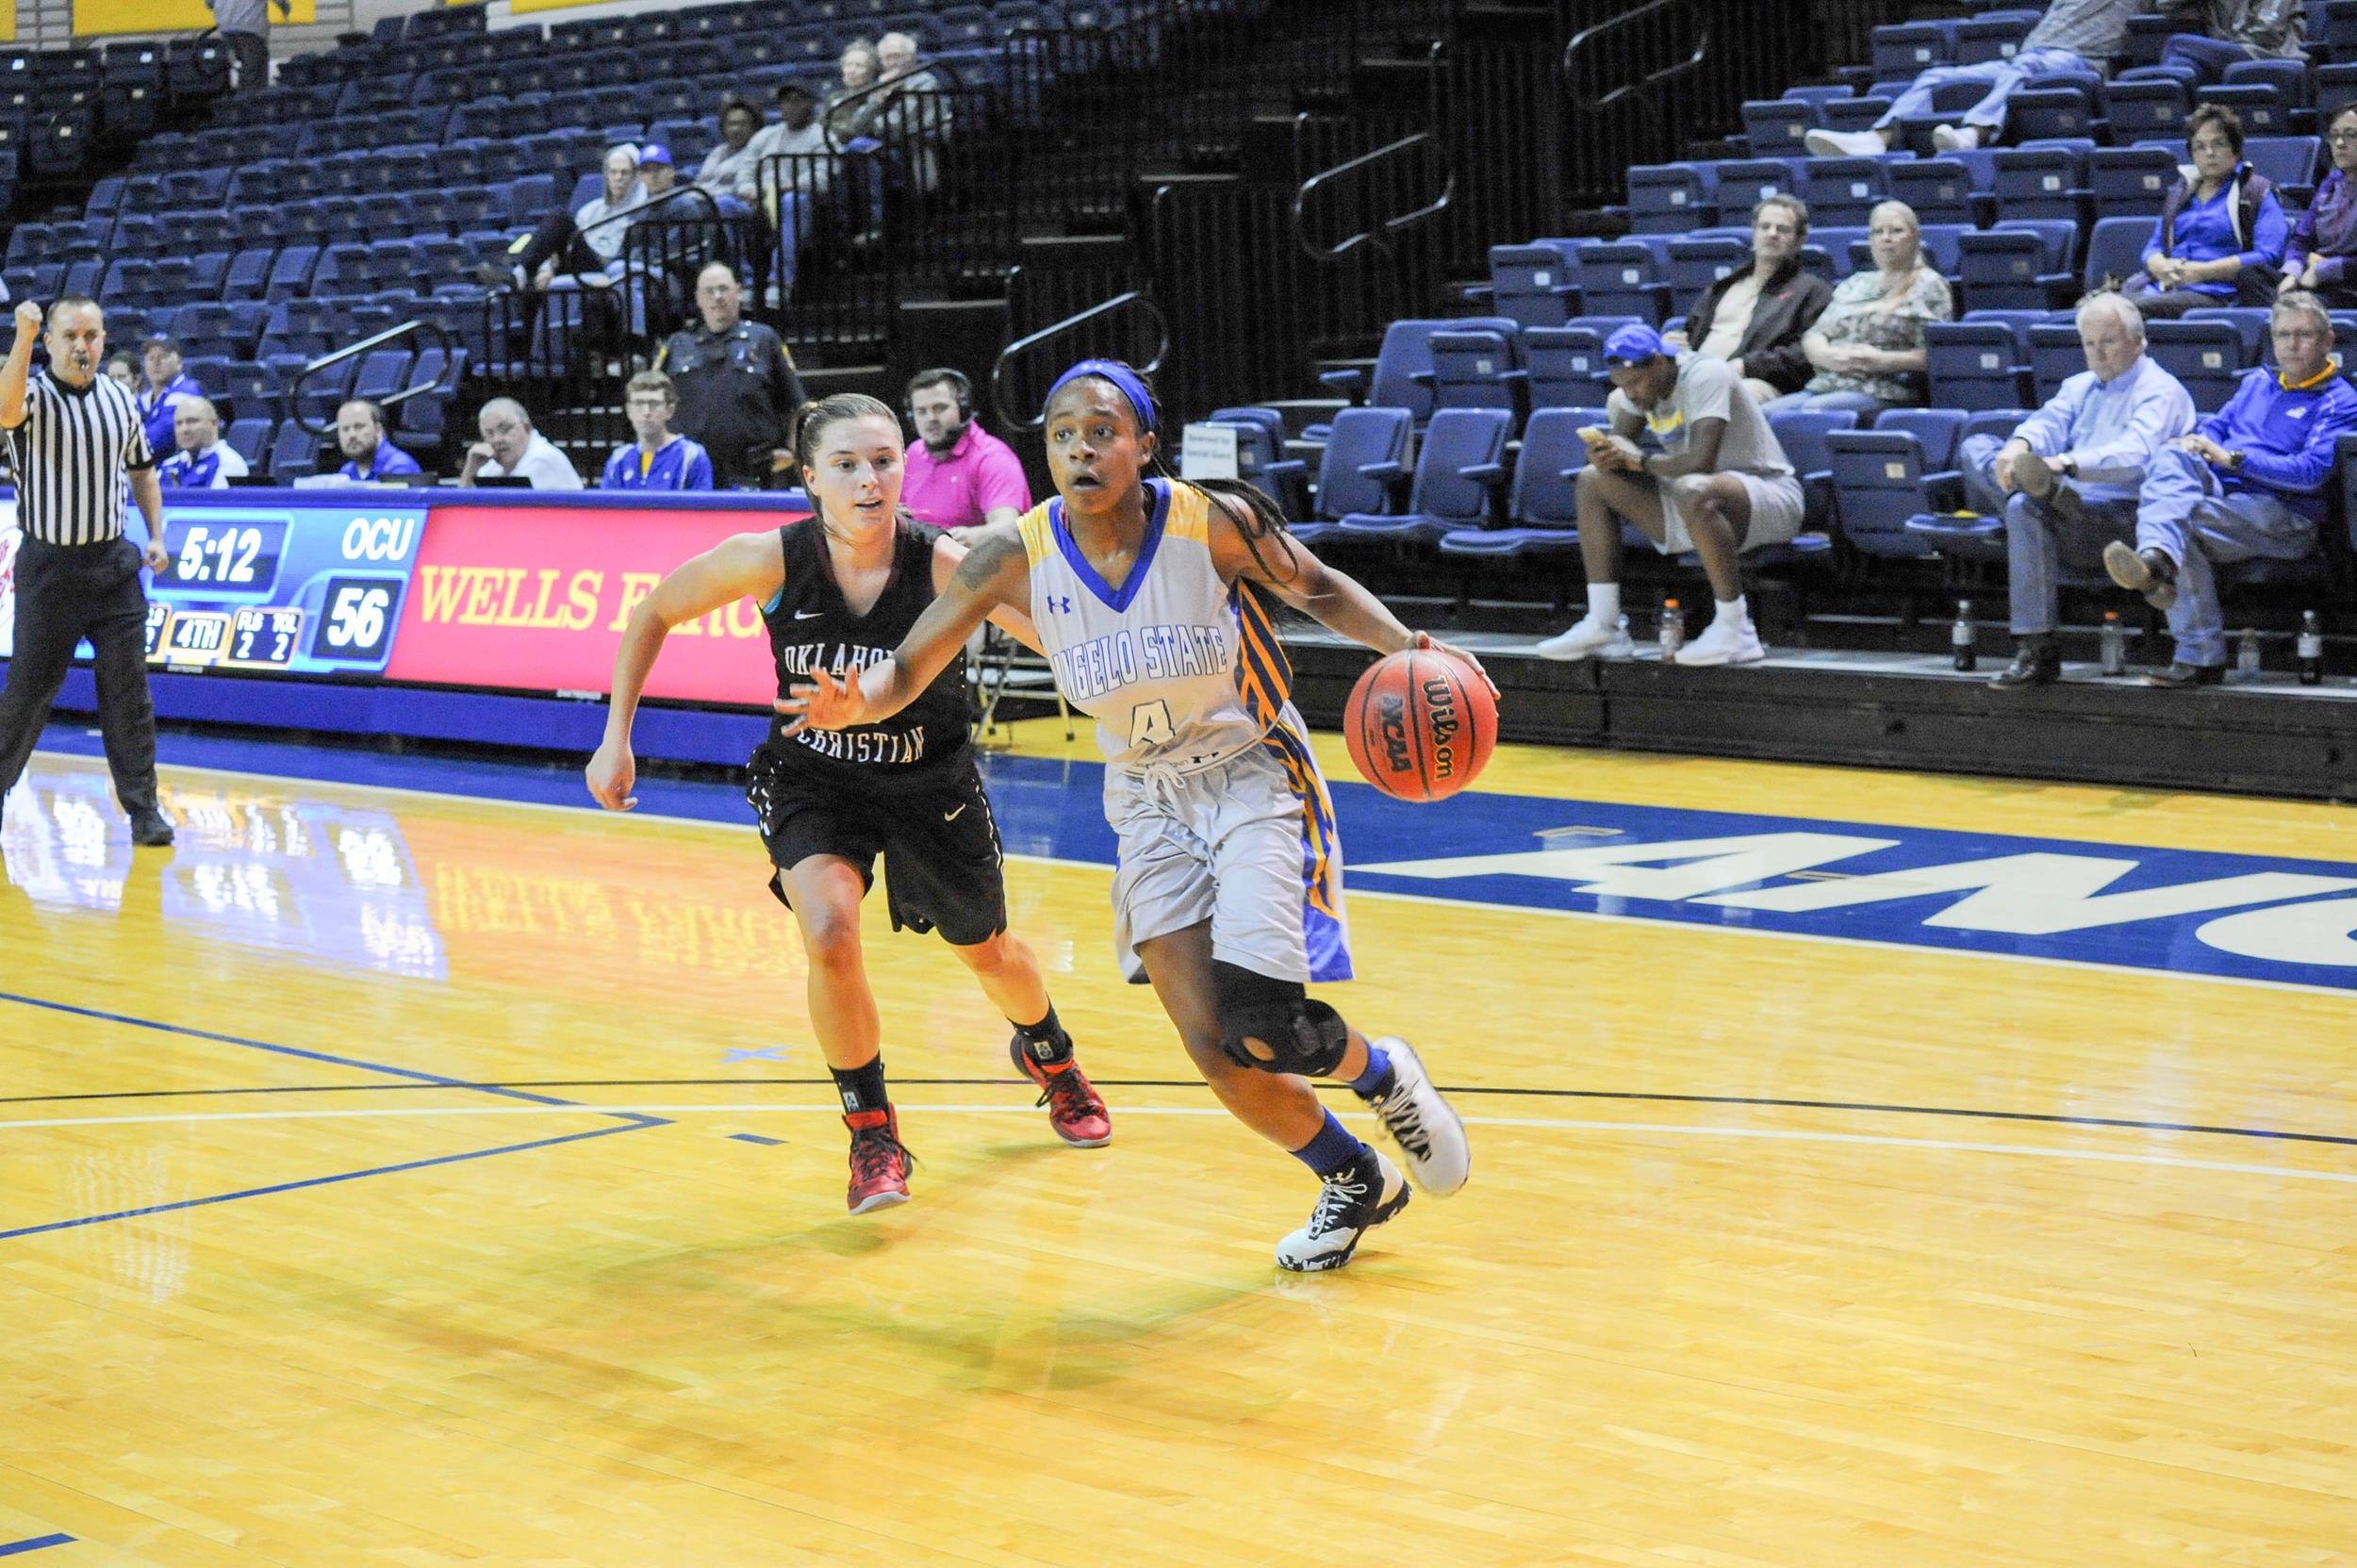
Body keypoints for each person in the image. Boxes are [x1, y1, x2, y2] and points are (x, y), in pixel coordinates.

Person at [777, 361, 1477, 1272]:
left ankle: (1385, 1075)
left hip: (1250, 776)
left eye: (1101, 432)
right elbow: (908, 668)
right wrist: (857, 699)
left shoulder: (1211, 522)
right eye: (1063, 435)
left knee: (1263, 1025)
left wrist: (1416, 651)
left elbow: (1320, 588)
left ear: (1145, 445)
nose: (1080, 449)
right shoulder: (1011, 553)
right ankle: (1353, 1178)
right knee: (1216, 1051)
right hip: (1145, 800)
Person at [585, 393, 1112, 1213]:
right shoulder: (769, 558)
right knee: (828, 929)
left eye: (885, 460)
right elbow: (655, 608)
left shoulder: (941, 561)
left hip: (927, 780)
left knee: (989, 951)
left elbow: (1068, 643)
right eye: (848, 465)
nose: (871, 479)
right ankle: (872, 1131)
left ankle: (1050, 1053)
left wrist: (1130, 688)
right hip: (814, 777)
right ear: (811, 479)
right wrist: (615, 733)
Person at [2103, 290, 2357, 685]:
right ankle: (2157, 560)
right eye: (2283, 335)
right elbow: (2215, 428)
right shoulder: (2258, 382)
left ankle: (2195, 647)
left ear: (2327, 341)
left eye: (2304, 334)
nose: (2292, 344)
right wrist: (2194, 440)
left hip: (2286, 516)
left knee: (2175, 521)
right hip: (2229, 501)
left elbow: (2311, 473)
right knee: (2171, 458)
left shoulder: (2340, 400)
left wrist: (2234, 459)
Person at [0, 298, 175, 847]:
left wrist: (156, 534)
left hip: (113, 566)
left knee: (129, 695)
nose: (83, 345)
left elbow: (143, 471)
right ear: (50, 342)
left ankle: (144, 809)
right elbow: (4, 413)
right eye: (70, 335)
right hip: (50, 570)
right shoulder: (31, 394)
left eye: (93, 335)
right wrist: (21, 338)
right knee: (29, 694)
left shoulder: (121, 399)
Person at [1534, 324, 1805, 668]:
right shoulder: (1634, 395)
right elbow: (1622, 453)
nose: (1630, 394)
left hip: (1769, 495)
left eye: (1635, 383)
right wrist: (1606, 456)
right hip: (1697, 499)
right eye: (1621, 385)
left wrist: (1641, 461)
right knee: (1593, 481)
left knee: (1694, 487)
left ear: (1660, 363)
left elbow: (1701, 462)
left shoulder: (1706, 374)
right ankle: (1605, 626)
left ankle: (1737, 630)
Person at [1961, 293, 2197, 688]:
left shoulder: (2161, 390)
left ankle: (2037, 651)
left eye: (2109, 342)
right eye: (2089, 344)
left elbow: (2136, 455)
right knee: (1977, 446)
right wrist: (2020, 446)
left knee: (2023, 508)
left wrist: (2066, 464)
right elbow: (2047, 422)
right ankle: (2041, 490)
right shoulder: (2080, 385)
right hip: (2070, 505)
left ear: (2139, 342)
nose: (2098, 354)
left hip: (2121, 518)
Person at [1805, 0, 2144, 157]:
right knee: (1936, 75)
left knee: (2025, 69)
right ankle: (1877, 138)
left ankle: (1975, 133)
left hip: (2083, 62)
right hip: (2030, 57)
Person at [1765, 201, 1952, 420]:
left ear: (1914, 238)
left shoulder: (1930, 285)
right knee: (1762, 416)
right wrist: (1826, 355)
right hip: (1828, 384)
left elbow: (1937, 354)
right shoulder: (1856, 282)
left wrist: (1882, 361)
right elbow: (1816, 334)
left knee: (1813, 414)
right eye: (1878, 232)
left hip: (1886, 389)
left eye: (1896, 231)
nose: (1886, 238)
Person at [1663, 195, 1833, 405]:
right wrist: (1676, 343)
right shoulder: (1725, 286)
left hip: (1758, 382)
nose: (1772, 234)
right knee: (1623, 397)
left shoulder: (1813, 291)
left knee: (1737, 392)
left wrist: (1748, 366)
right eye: (1765, 227)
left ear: (1800, 240)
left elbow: (1806, 353)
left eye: (1783, 229)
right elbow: (1690, 332)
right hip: (1700, 373)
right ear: (1754, 232)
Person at [2123, 104, 2285, 317]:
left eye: (2218, 144)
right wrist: (2159, 265)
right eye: (2200, 146)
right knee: (2094, 311)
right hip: (2165, 289)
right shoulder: (2181, 192)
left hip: (2219, 294)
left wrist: (2203, 272)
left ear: (2235, 150)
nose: (2209, 153)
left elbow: (2268, 255)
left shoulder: (2256, 192)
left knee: (2118, 313)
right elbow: (2154, 245)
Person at [655, 262, 806, 489]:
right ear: (698, 298)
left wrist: (794, 452)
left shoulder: (764, 339)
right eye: (709, 291)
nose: (717, 297)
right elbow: (650, 401)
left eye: (724, 288)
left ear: (738, 291)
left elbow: (798, 405)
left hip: (755, 472)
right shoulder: (678, 344)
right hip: (690, 472)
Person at [479, 144, 646, 295]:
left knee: (560, 218)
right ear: (606, 175)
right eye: (613, 172)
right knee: (538, 280)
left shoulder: (643, 209)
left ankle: (519, 276)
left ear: (635, 176)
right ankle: (519, 278)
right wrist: (547, 269)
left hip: (608, 265)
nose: (618, 178)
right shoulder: (590, 210)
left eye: (625, 172)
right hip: (582, 258)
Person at [900, 367, 1029, 536]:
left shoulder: (992, 458)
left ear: (963, 409)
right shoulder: (914, 453)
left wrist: (965, 537)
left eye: (940, 408)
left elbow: (1007, 527)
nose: (931, 418)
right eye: (921, 411)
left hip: (973, 558)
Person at [2281, 101, 2357, 309]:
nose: (2340, 143)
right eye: (2334, 135)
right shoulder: (2331, 184)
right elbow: (2302, 239)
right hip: (2315, 278)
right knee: (2251, 275)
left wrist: (2322, 271)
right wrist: (2292, 272)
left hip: (2348, 284)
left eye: (2351, 135)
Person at [600, 371, 715, 491]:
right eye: (638, 403)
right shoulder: (619, 458)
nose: (646, 412)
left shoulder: (691, 455)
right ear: (629, 410)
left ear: (670, 410)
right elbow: (605, 507)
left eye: (654, 404)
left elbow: (700, 507)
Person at [2150, 0, 2309, 87]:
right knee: (2181, 64)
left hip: (2270, 56)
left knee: (2176, 44)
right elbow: (2165, 5)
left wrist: (2219, 49)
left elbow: (2265, 34)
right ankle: (2188, 128)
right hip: (2227, 57)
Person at [459, 398, 582, 490]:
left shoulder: (543, 459)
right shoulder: (492, 467)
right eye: (489, 434)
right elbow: (461, 512)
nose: (497, 440)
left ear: (527, 428)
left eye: (505, 429)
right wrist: (470, 469)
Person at [135, 336, 204, 460]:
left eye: (163, 356)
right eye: (151, 358)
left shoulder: (186, 391)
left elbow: (158, 439)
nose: (156, 362)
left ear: (179, 363)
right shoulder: (144, 399)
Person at [157, 395, 247, 488]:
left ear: (213, 423)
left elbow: (215, 502)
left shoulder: (229, 464)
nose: (184, 429)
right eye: (179, 423)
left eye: (192, 421)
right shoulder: (169, 465)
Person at [693, 98, 767, 206]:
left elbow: (745, 190)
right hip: (703, 202)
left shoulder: (759, 154)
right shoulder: (718, 151)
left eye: (742, 124)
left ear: (755, 127)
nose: (736, 129)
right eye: (731, 124)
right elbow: (700, 181)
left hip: (734, 206)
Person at [205, 0, 289, 93]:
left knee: (243, 68)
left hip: (226, 27)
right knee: (255, 71)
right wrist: (285, 7)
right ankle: (252, 101)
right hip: (250, 26)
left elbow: (209, 3)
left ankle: (239, 96)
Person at [333, 398, 423, 484]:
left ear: (378, 430)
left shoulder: (399, 467)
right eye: (345, 429)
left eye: (359, 427)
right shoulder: (346, 472)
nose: (351, 435)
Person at [823, 40, 882, 142]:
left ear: (872, 71)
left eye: (859, 66)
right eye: (848, 65)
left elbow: (853, 132)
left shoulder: (876, 99)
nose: (852, 71)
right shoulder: (833, 98)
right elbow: (821, 128)